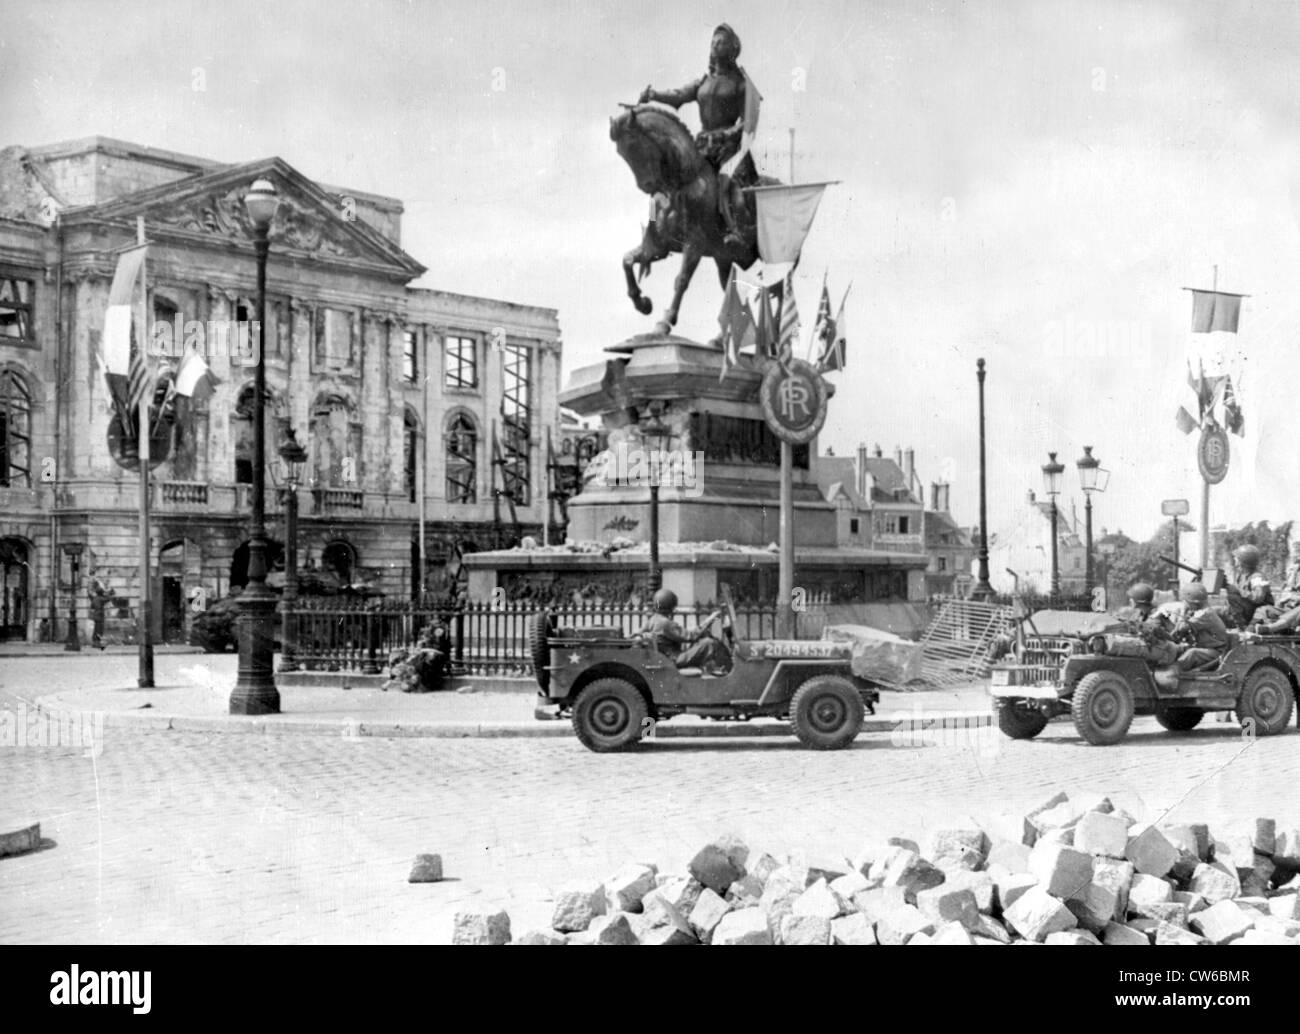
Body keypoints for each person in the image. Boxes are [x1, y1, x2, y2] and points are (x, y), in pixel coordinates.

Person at [639, 23, 757, 248]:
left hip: (730, 150)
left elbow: (748, 122)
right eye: (713, 42)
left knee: (729, 187)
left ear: (732, 49)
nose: (715, 46)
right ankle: (653, 233)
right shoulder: (703, 82)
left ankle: (740, 234)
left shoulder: (741, 84)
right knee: (664, 185)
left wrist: (729, 133)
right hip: (703, 148)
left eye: (721, 42)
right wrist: (653, 94)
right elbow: (678, 95)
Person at [640, 588, 731, 674]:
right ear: (671, 606)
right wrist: (710, 619)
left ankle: (717, 670)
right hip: (675, 659)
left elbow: (639, 633)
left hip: (667, 657)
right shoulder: (665, 623)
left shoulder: (653, 619)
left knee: (704, 638)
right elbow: (691, 636)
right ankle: (731, 673)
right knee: (711, 643)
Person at [1169, 582, 1231, 673]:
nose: (1185, 605)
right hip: (1208, 649)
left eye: (1186, 602)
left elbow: (1182, 627)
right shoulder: (1200, 612)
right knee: (1179, 649)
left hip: (1216, 652)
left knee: (1193, 653)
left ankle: (1172, 672)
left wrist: (1183, 610)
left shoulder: (1205, 614)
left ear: (1195, 603)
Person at [1112, 582, 1178, 665]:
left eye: (1132, 598)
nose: (1130, 600)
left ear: (1138, 601)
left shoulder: (1156, 615)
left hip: (1163, 651)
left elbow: (1152, 631)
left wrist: (1135, 627)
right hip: (1151, 648)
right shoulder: (1139, 613)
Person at [1225, 544, 1273, 628]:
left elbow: (1258, 598)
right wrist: (1226, 585)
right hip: (1247, 610)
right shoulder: (1242, 575)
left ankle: (1242, 627)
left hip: (1257, 613)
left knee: (1232, 597)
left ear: (1242, 561)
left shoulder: (1257, 577)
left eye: (1237, 557)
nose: (1235, 559)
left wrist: (1238, 590)